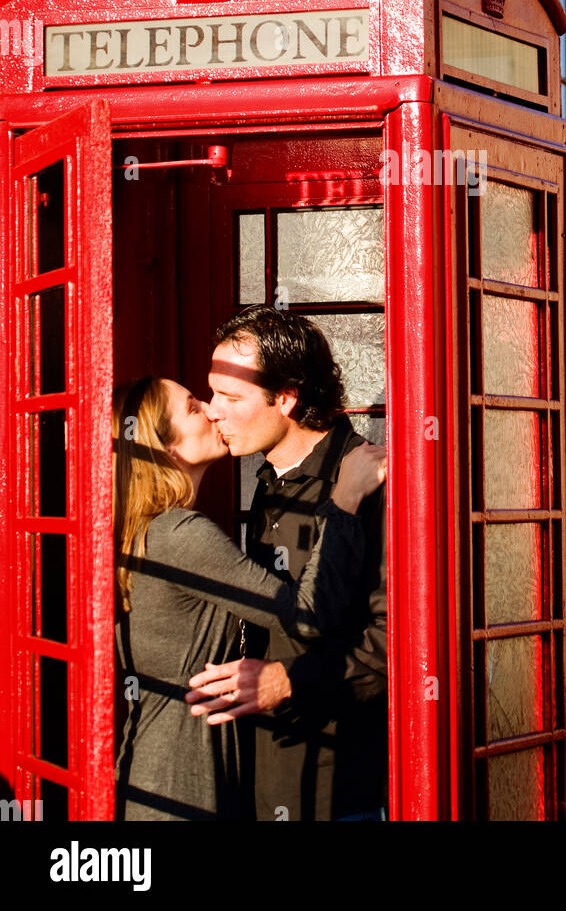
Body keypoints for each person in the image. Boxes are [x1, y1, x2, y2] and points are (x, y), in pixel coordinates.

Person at [112, 374, 384, 821]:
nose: (212, 409)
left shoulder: (149, 530)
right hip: (181, 783)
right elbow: (306, 615)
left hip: (162, 770)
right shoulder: (180, 534)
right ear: (166, 448)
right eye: (194, 407)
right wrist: (345, 498)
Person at [185, 308, 387, 821]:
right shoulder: (269, 480)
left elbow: (400, 644)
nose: (213, 411)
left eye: (230, 398)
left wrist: (289, 680)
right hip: (263, 773)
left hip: (342, 785)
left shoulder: (369, 484)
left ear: (287, 399)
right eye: (212, 394)